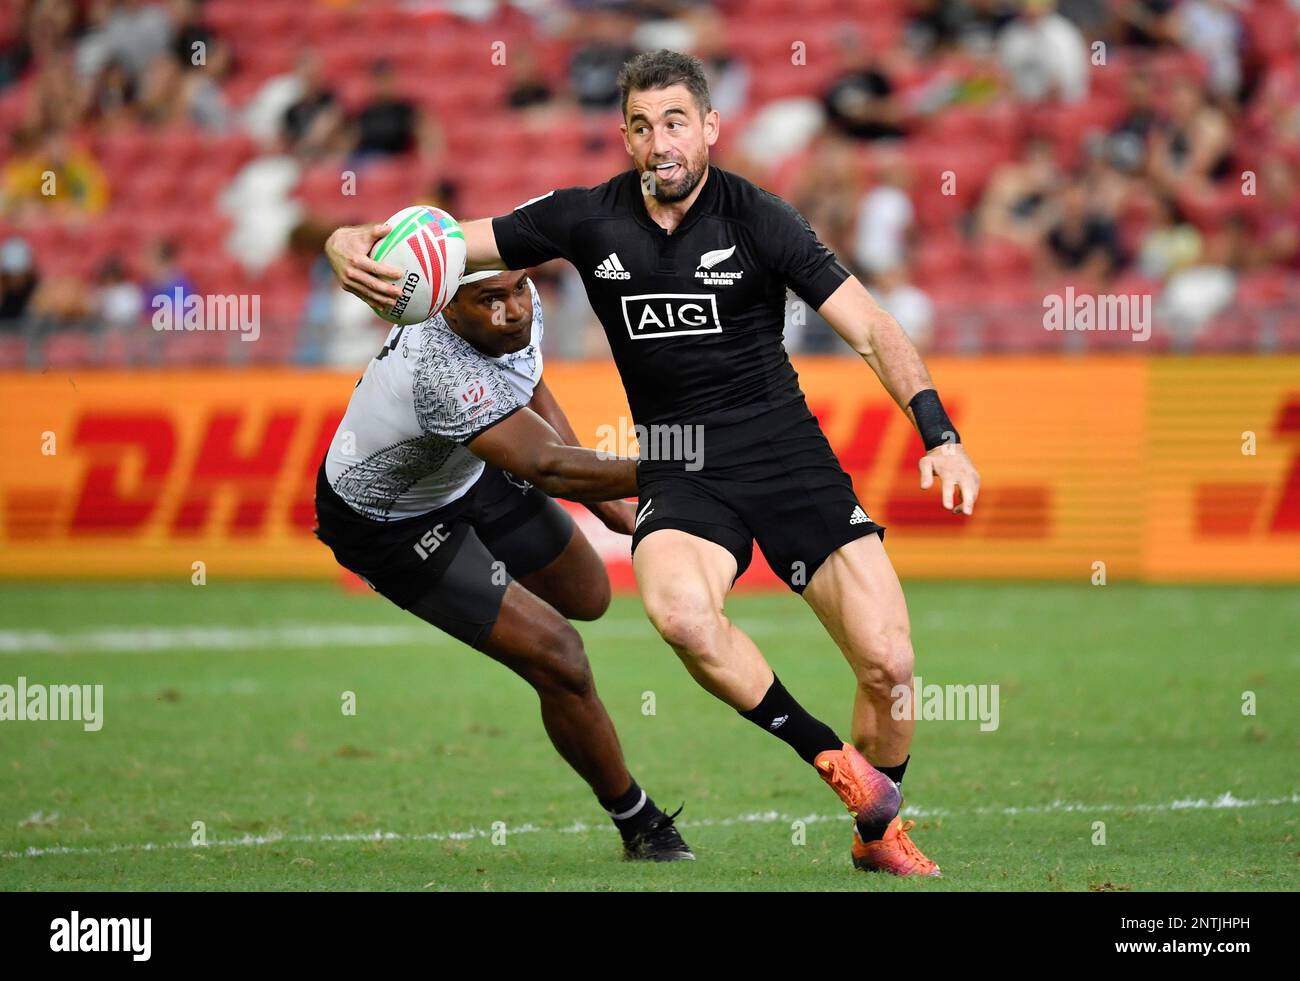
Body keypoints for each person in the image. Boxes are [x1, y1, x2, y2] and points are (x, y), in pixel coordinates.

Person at [325, 50, 982, 877]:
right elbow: (443, 245)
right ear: (626, 137)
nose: (659, 141)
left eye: (675, 122)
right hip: (681, 462)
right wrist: (346, 236)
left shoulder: (763, 218)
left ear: (709, 127)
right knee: (677, 612)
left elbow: (872, 327)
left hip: (788, 457)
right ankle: (834, 763)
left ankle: (878, 830)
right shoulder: (581, 217)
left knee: (891, 665)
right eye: (641, 126)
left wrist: (939, 433)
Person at [314, 267, 694, 862]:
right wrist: (687, 465)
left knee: (589, 595)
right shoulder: (437, 368)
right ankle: (639, 822)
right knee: (559, 656)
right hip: (391, 522)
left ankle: (483, 580)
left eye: (518, 289)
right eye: (490, 299)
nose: (513, 309)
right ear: (443, 309)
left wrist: (607, 501)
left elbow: (532, 387)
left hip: (470, 469)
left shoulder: (518, 303)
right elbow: (548, 466)